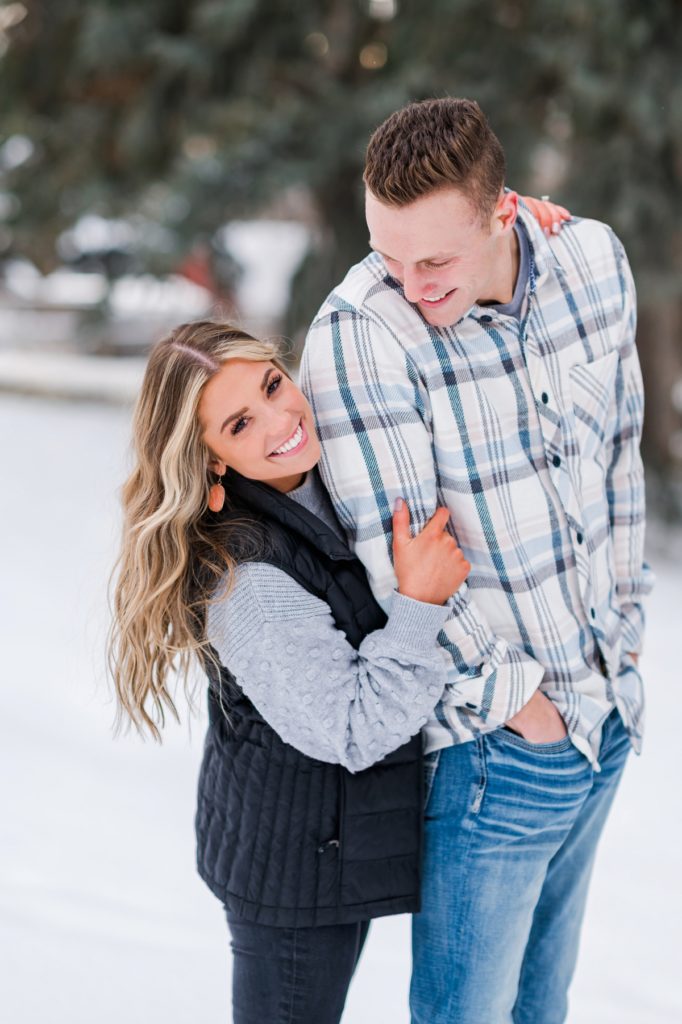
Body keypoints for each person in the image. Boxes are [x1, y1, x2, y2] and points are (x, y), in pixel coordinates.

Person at [301, 97, 653, 1024]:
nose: (410, 282)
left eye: (435, 259)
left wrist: (623, 632)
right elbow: (397, 565)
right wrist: (519, 712)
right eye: (387, 253)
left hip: (605, 711)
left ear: (504, 211)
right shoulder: (361, 336)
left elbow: (619, 455)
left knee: (547, 1007)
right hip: (497, 752)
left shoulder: (592, 261)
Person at [108, 321, 471, 1024]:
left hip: (324, 840)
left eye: (274, 386)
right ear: (210, 460)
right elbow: (352, 728)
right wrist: (420, 606)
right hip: (295, 875)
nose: (282, 421)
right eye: (241, 422)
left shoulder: (318, 478)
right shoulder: (248, 584)